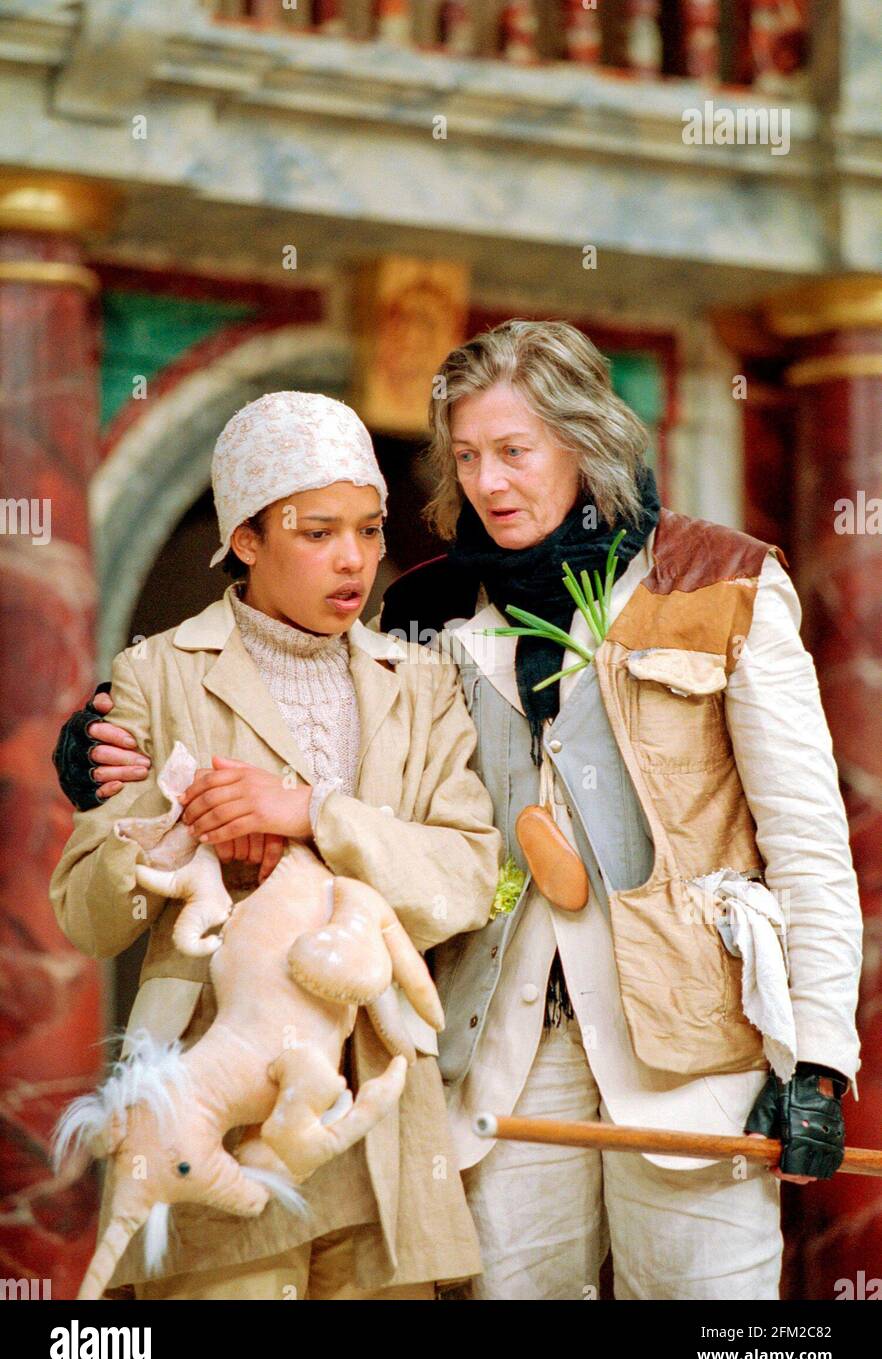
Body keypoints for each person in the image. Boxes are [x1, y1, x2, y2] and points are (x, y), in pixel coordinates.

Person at [54, 322, 864, 1303]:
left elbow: (810, 843)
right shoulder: (422, 611)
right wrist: (103, 756)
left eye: (515, 452)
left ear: (585, 442)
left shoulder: (723, 580)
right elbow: (370, 785)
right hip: (497, 1055)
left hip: (696, 1050)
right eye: (468, 456)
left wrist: (819, 1060)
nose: (488, 483)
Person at [49, 390, 501, 1300]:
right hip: (214, 1111)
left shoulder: (420, 683)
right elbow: (88, 915)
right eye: (318, 531)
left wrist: (309, 814)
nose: (355, 561)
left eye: (370, 531)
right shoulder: (159, 673)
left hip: (378, 1116)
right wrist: (176, 845)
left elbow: (473, 877)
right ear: (245, 540)